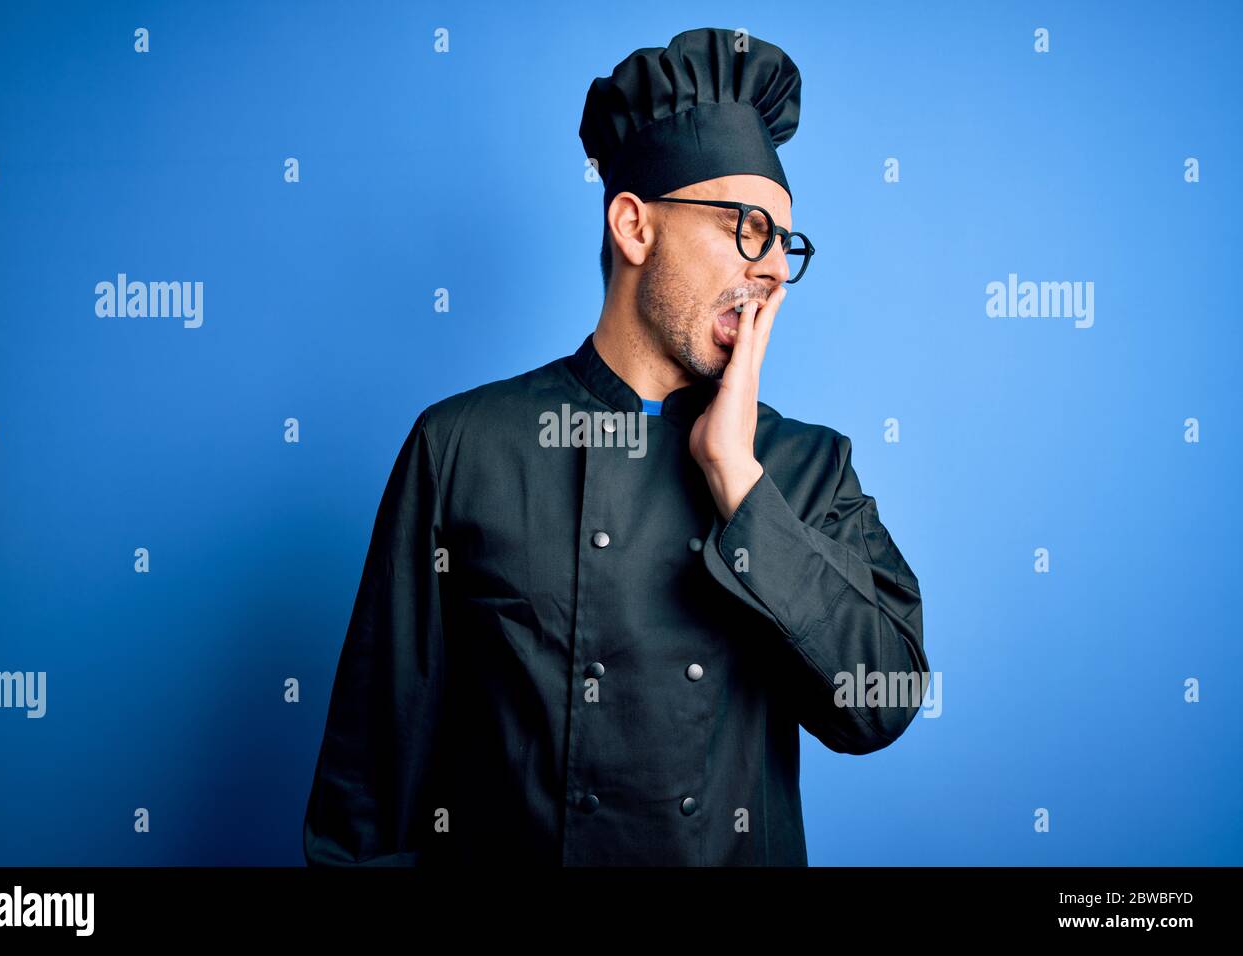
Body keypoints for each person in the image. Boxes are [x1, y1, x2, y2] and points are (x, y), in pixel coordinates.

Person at [302, 26, 928, 867]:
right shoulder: (462, 448)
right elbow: (368, 802)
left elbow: (880, 702)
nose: (775, 267)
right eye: (748, 228)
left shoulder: (807, 468)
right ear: (635, 226)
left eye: (785, 241)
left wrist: (737, 479)